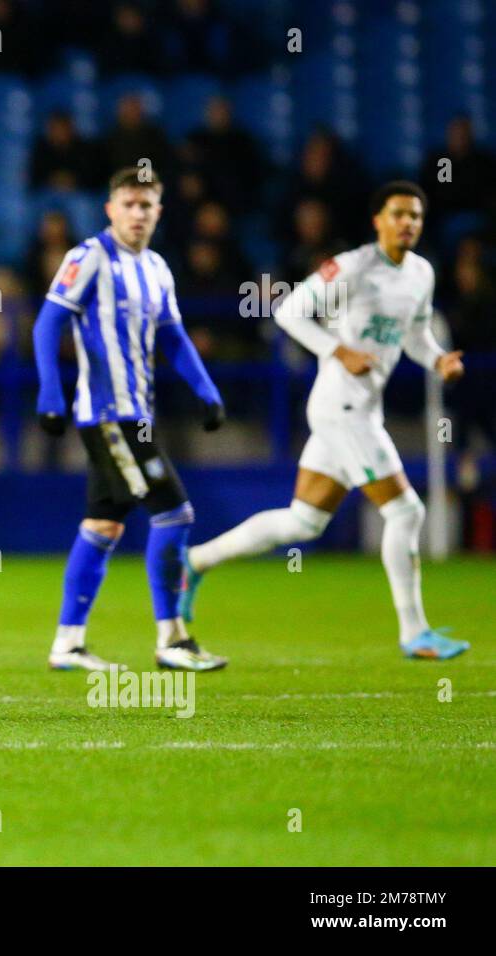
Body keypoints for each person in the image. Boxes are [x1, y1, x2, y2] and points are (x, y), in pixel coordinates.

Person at [181, 182, 468, 660]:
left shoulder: (421, 273)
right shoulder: (352, 267)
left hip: (361, 406)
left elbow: (413, 333)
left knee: (304, 522)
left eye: (415, 216)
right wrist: (338, 350)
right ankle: (414, 632)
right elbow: (289, 311)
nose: (408, 223)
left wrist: (437, 360)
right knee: (406, 511)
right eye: (398, 214)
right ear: (377, 220)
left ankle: (194, 562)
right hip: (342, 406)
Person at [33, 166, 228, 673]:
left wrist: (206, 392)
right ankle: (172, 638)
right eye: (129, 203)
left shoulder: (158, 268)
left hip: (136, 413)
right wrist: (51, 396)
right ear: (110, 208)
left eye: (147, 205)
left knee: (102, 525)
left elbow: (174, 338)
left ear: (159, 212)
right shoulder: (89, 257)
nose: (138, 213)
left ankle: (67, 644)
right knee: (174, 513)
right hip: (107, 416)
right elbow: (48, 321)